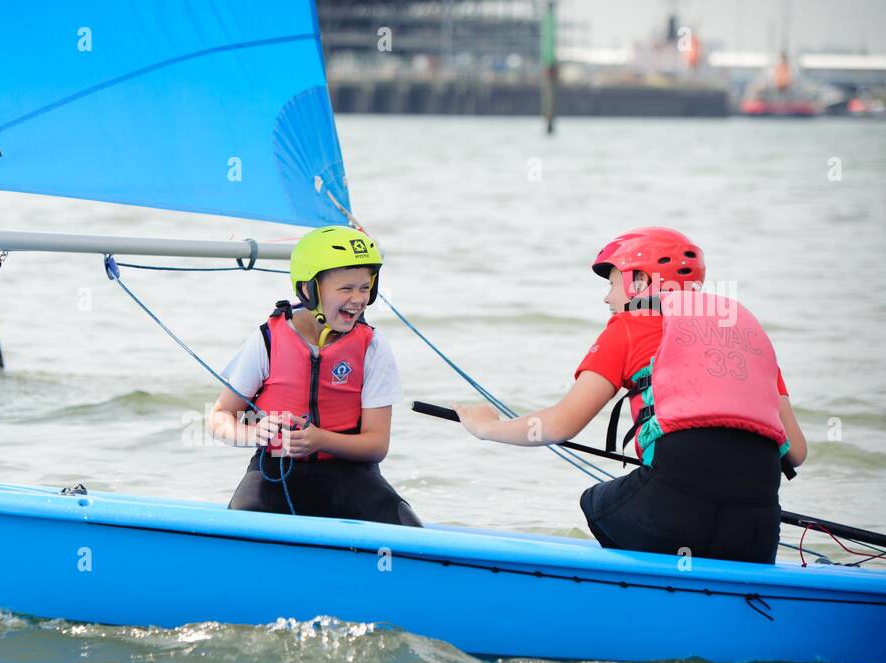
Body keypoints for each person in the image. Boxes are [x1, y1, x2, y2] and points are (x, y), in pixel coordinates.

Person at [452, 226, 806, 564]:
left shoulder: (629, 326)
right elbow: (797, 452)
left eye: (612, 283)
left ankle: (640, 594)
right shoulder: (744, 334)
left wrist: (487, 428)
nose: (607, 297)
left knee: (595, 503)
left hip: (671, 514)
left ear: (641, 281)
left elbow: (560, 424)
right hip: (756, 530)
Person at [207, 225, 421, 527]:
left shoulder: (372, 346)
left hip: (350, 475)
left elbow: (376, 445)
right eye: (346, 289)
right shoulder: (267, 339)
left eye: (364, 287)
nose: (358, 299)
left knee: (406, 525)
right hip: (275, 472)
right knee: (239, 526)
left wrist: (320, 440)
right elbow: (219, 417)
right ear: (308, 290)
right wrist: (252, 434)